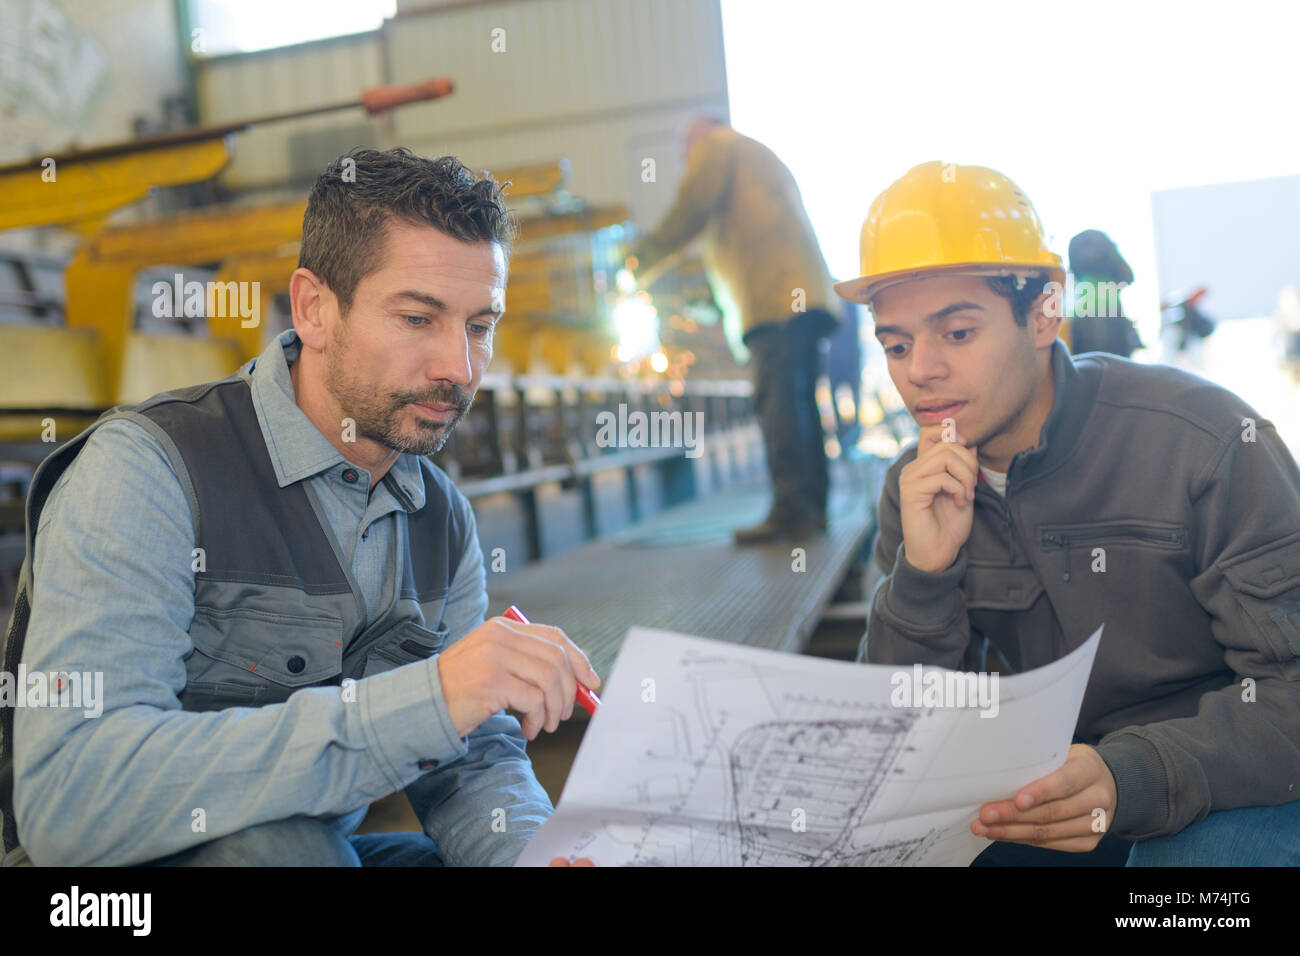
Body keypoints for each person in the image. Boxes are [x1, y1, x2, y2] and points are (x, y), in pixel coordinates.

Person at [0, 147, 600, 867]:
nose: (459, 367)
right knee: (287, 851)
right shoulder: (148, 469)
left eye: (479, 326)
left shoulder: (441, 517)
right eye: (418, 318)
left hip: (314, 849)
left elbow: (471, 764)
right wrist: (429, 699)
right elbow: (69, 796)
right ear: (314, 309)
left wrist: (534, 854)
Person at [838, 161, 1300, 866]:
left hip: (1226, 778)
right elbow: (893, 741)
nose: (919, 370)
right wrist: (922, 577)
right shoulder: (918, 488)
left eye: (956, 333)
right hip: (1061, 787)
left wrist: (1131, 775)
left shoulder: (1202, 441)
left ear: (1044, 314)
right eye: (896, 345)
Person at [629, 117, 839, 544]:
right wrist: (703, 302)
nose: (685, 157)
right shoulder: (753, 160)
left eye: (686, 147)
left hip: (776, 299)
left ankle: (793, 512)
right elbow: (735, 244)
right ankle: (811, 509)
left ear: (702, 133)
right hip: (799, 294)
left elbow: (691, 208)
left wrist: (640, 259)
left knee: (779, 401)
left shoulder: (718, 145)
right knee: (798, 401)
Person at [1066, 228, 1142, 357]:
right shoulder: (1107, 248)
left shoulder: (1076, 246)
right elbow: (1128, 277)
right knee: (1118, 364)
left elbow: (1070, 277)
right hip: (1110, 315)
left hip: (1083, 316)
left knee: (1086, 364)